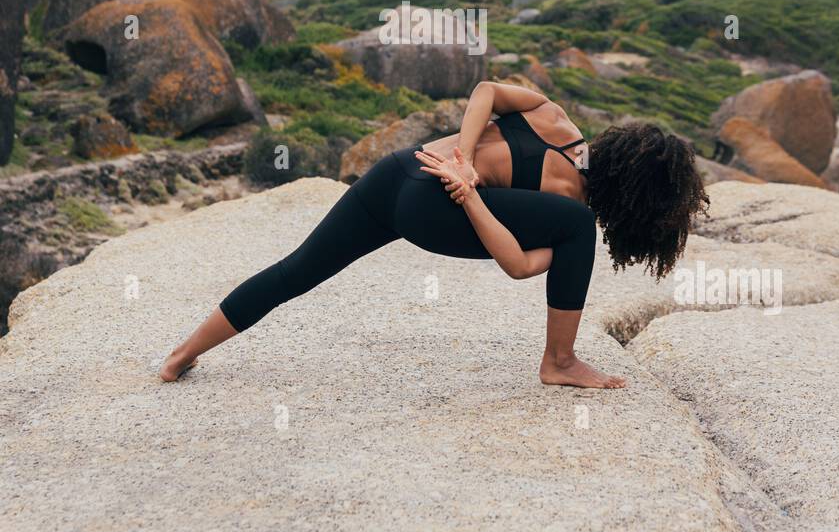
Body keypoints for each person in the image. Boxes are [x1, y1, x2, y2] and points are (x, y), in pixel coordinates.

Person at [160, 80, 708, 388]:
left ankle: (181, 354)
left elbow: (486, 90)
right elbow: (516, 266)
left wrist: (463, 159)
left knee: (298, 270)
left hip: (398, 171)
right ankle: (560, 362)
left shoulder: (557, 119)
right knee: (574, 228)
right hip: (433, 206)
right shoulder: (568, 206)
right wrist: (468, 187)